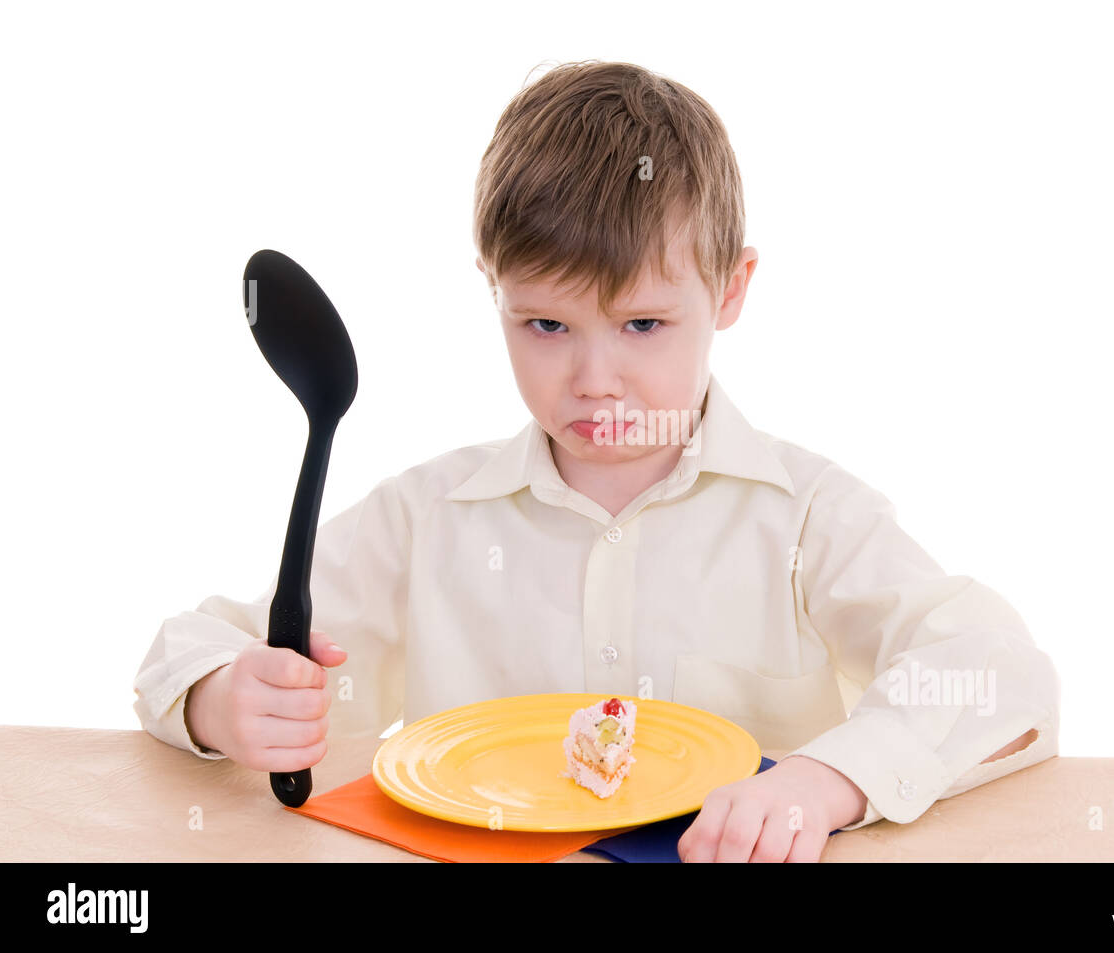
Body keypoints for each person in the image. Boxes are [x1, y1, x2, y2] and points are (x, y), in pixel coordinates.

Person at [133, 59, 1060, 863]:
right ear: (493, 291)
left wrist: (826, 780)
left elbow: (995, 668)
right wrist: (221, 698)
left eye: (644, 325)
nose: (595, 381)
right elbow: (192, 645)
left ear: (731, 288)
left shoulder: (808, 514)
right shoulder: (428, 517)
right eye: (545, 324)